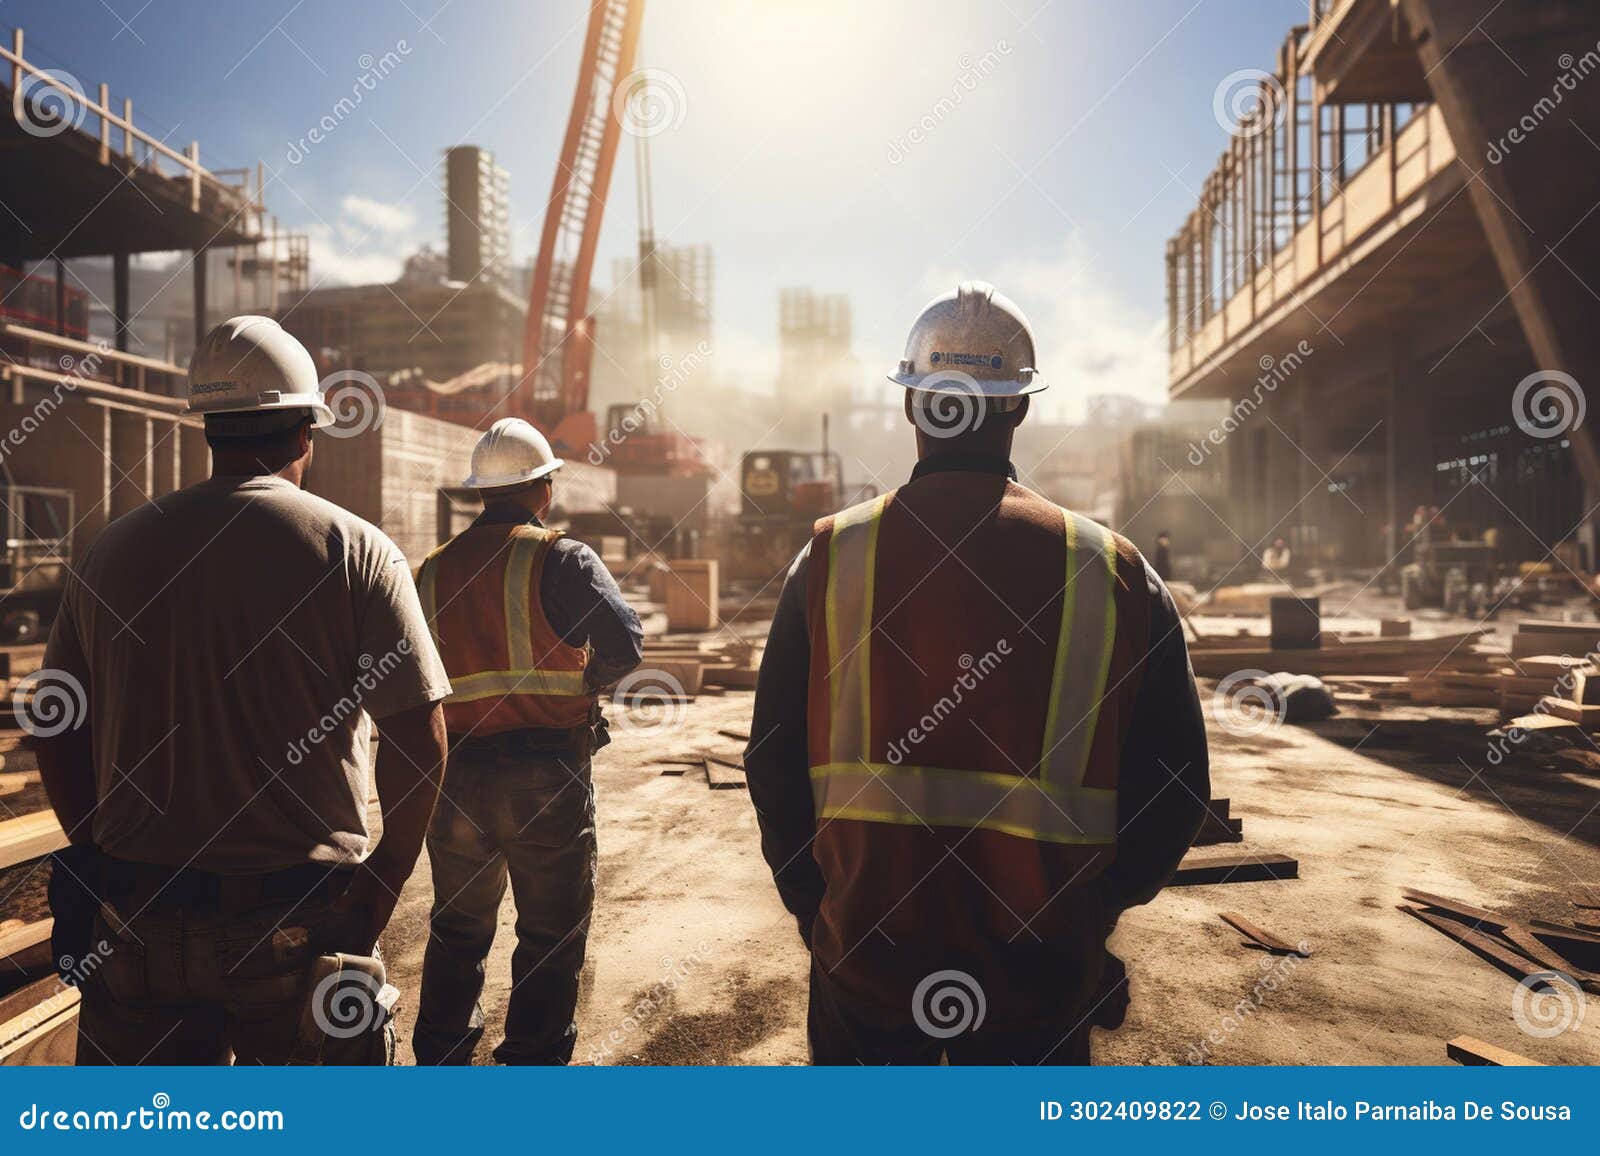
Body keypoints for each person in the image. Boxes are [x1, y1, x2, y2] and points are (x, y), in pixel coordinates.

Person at [744, 282, 1210, 1065]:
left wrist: (818, 912)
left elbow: (771, 762)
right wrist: (1095, 913)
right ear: (1019, 408)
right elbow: (1178, 785)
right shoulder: (1114, 571)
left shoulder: (828, 560)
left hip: (867, 962)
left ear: (911, 406)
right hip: (1039, 980)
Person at [34, 316, 452, 1065]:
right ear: (303, 434)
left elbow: (56, 721)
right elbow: (420, 741)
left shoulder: (113, 551)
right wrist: (383, 884)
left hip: (138, 918)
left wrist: (95, 847)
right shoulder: (356, 551)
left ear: (209, 430)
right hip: (296, 918)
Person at [411, 417, 642, 1065]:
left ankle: (441, 1065)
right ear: (544, 489)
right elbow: (625, 645)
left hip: (454, 778)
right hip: (546, 771)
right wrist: (582, 686)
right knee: (549, 934)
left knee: (457, 930)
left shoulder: (429, 570)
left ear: (480, 492)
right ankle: (531, 1072)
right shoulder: (560, 556)